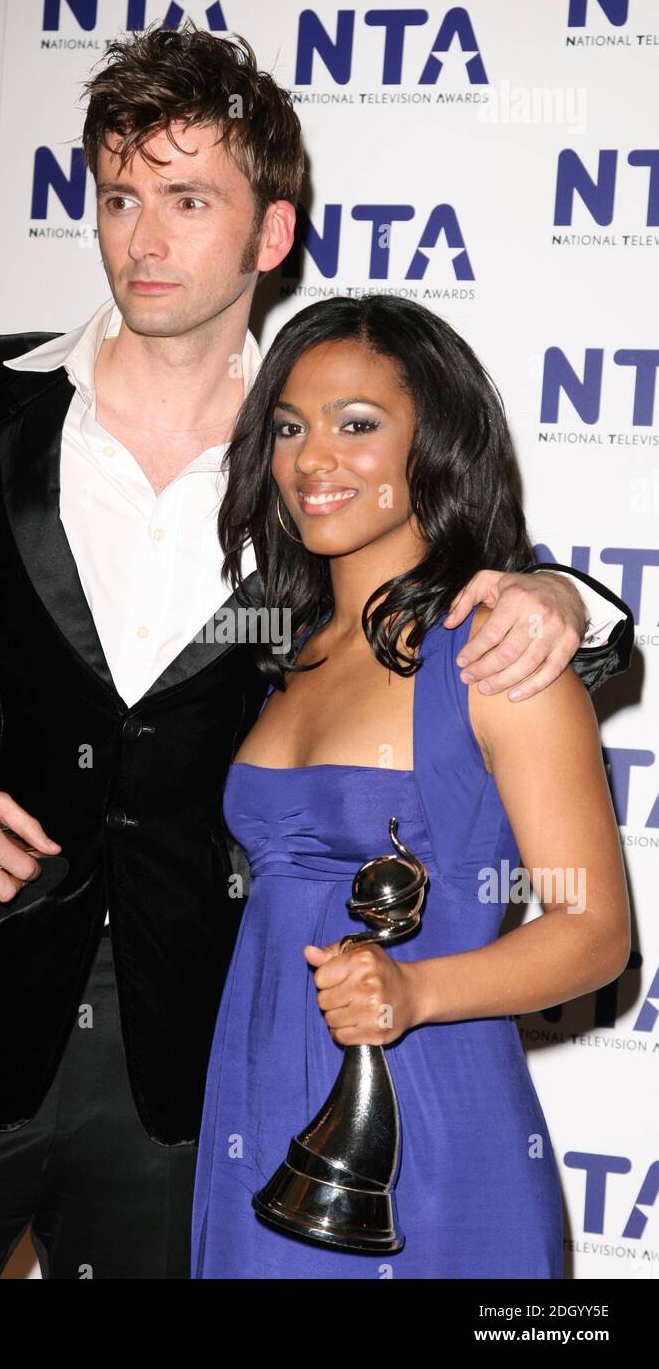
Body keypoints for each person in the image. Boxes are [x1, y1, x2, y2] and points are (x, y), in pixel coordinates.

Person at [0, 24, 632, 1281]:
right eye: (118, 197)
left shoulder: (311, 470)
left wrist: (562, 595)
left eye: (187, 199)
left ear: (269, 235)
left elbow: (452, 629)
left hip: (195, 1060)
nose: (141, 238)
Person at [191, 292, 631, 1279]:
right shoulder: (281, 651)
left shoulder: (496, 653)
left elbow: (593, 931)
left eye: (356, 425)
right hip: (256, 1096)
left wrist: (414, 989)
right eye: (289, 427)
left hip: (419, 1113)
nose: (311, 460)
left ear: (430, 443)